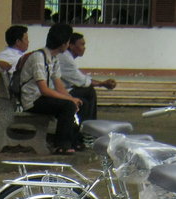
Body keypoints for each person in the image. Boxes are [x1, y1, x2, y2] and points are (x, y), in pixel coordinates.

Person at [18, 23, 83, 154]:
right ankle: (61, 145)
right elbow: (44, 89)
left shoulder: (54, 59)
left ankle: (75, 141)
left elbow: (58, 84)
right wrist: (69, 100)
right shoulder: (38, 57)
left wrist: (72, 99)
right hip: (32, 100)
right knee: (67, 106)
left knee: (77, 103)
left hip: (42, 98)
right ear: (63, 43)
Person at [58, 32, 116, 123]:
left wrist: (102, 83)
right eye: (82, 44)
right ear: (71, 46)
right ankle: (90, 126)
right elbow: (81, 80)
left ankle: (89, 125)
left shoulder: (66, 57)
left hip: (64, 89)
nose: (84, 47)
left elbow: (81, 78)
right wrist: (102, 84)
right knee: (89, 91)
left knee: (87, 95)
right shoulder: (65, 58)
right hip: (59, 91)